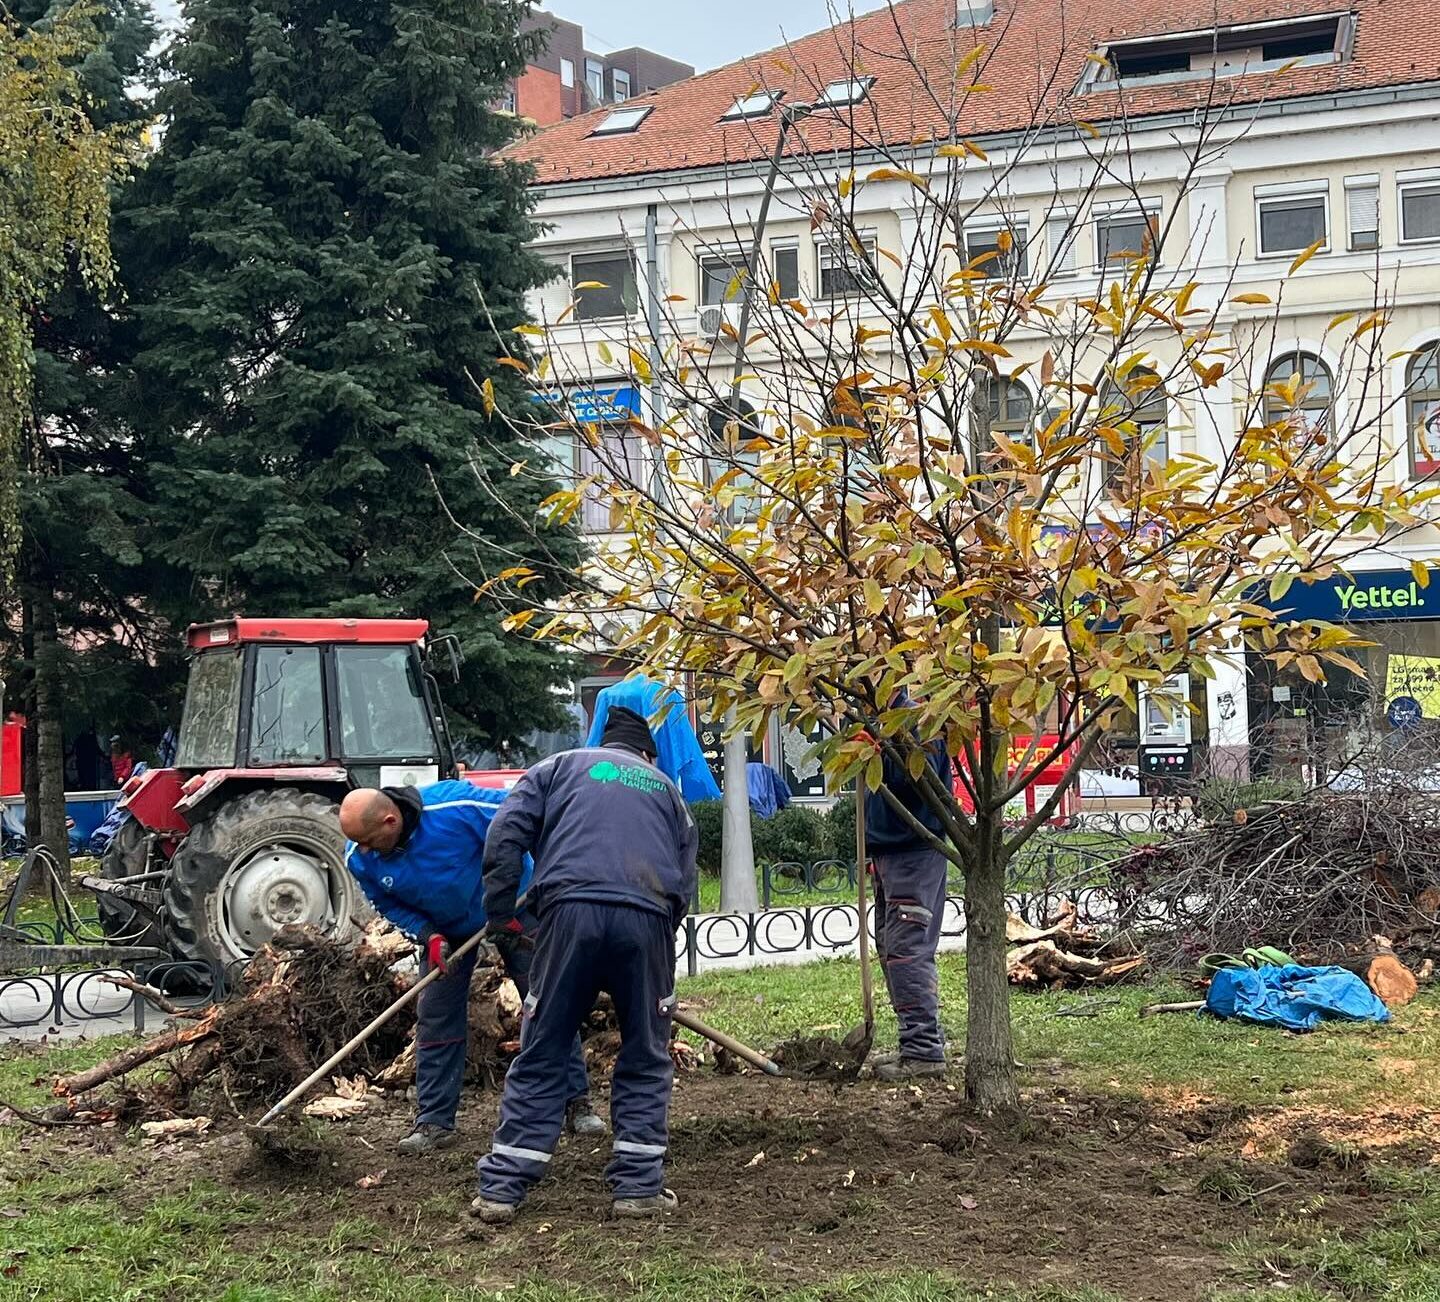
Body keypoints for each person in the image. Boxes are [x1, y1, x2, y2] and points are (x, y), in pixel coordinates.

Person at [472, 706, 698, 1224]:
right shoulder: (668, 791)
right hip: (647, 917)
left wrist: (502, 914)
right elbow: (685, 881)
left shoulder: (555, 767)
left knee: (544, 1046)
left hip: (568, 913)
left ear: (602, 743)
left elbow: (505, 835)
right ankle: (638, 1187)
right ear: (647, 755)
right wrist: (654, 941)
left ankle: (502, 1189)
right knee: (645, 1051)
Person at [340, 780, 602, 1155]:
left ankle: (576, 1103)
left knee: (546, 1002)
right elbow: (388, 904)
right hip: (444, 929)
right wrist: (426, 934)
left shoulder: (457, 807)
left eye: (367, 841)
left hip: (514, 908)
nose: (363, 850)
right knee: (436, 1016)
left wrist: (526, 889)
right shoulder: (358, 856)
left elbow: (523, 821)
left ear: (390, 821)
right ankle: (434, 1121)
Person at [864, 726, 955, 1083]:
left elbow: (914, 779)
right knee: (891, 946)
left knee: (906, 951)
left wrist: (875, 754)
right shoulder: (876, 719)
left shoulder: (915, 722)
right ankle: (918, 1039)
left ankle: (923, 1050)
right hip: (891, 850)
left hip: (912, 852)